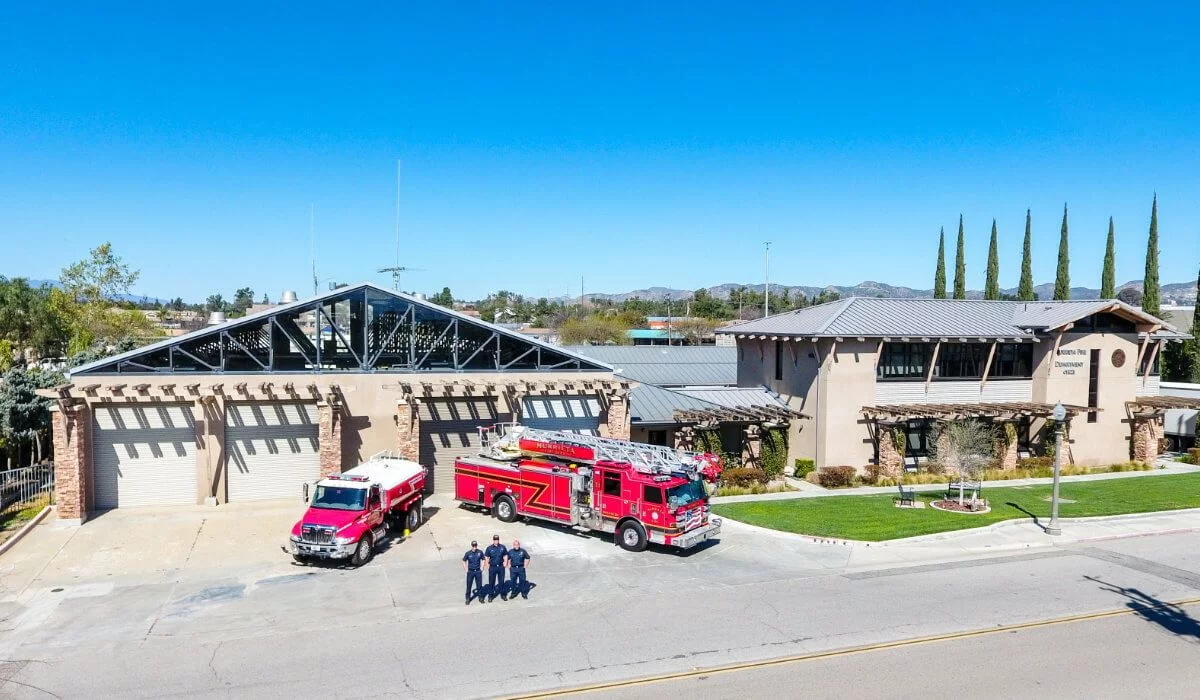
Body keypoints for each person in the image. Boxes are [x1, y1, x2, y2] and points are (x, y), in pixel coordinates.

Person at [483, 535, 508, 601]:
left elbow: (505, 555)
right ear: (493, 540)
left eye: (497, 540)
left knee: (501, 581)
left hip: (500, 567)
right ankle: (491, 595)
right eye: (495, 540)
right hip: (492, 567)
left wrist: (505, 563)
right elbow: (486, 557)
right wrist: (487, 566)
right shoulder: (489, 548)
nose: (496, 541)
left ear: (498, 540)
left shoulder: (503, 547)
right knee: (491, 582)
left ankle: (503, 595)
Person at [462, 540, 485, 605]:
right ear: (471, 546)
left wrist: (482, 567)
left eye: (475, 546)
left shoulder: (480, 552)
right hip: (470, 572)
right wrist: (466, 569)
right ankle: (468, 598)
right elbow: (463, 561)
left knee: (479, 586)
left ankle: (480, 598)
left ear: (476, 546)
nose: (474, 547)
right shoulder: (468, 553)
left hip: (478, 571)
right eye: (473, 546)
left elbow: (483, 559)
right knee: (469, 586)